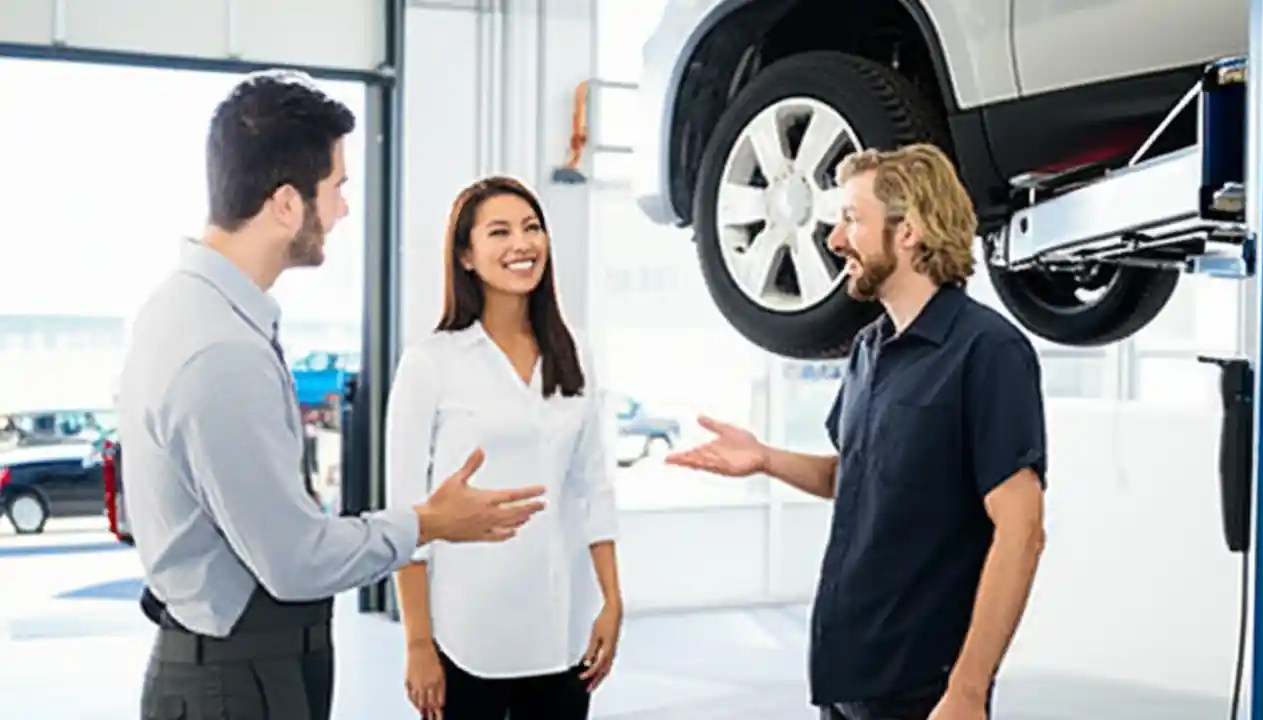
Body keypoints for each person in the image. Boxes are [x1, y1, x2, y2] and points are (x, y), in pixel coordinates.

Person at [116, 71, 547, 720]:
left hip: (241, 665)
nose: (344, 208)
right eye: (337, 187)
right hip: (236, 683)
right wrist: (429, 522)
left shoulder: (191, 312)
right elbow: (294, 560)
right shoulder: (219, 349)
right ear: (287, 204)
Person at [668, 143, 1047, 720]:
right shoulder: (870, 348)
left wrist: (969, 690)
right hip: (847, 674)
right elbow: (850, 476)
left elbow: (1021, 530)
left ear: (910, 232)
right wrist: (764, 457)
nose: (835, 239)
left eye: (852, 219)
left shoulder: (988, 351)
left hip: (924, 687)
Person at [386, 175, 622, 720]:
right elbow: (405, 515)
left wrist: (611, 600)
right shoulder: (432, 362)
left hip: (563, 630)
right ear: (466, 255)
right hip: (469, 636)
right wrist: (418, 643)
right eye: (500, 232)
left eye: (532, 228)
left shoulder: (574, 349)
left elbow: (592, 486)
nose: (523, 244)